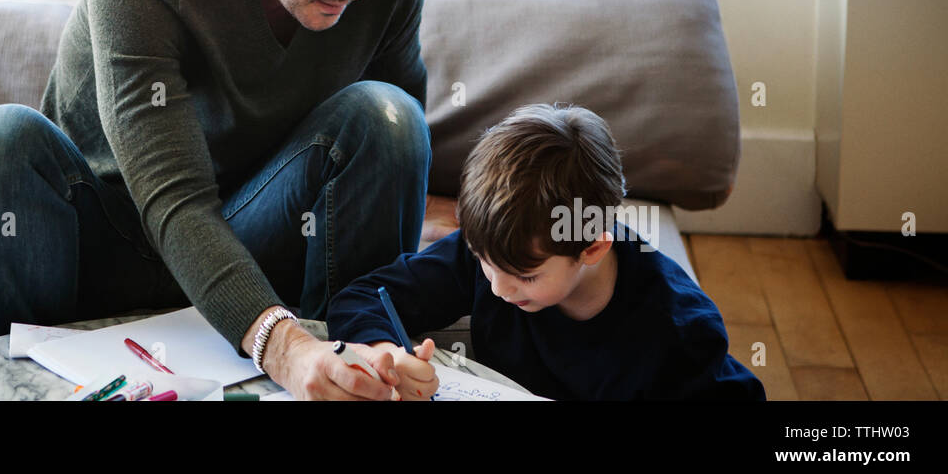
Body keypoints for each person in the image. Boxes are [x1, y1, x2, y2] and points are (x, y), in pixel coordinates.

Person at [0, 0, 431, 400]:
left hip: (256, 237)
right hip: (108, 243)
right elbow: (174, 200)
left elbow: (395, 160)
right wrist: (285, 349)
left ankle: (356, 372)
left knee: (390, 118)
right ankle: (17, 391)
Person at [326, 102, 767, 401]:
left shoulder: (678, 332)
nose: (497, 288)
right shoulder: (497, 254)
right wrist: (388, 353)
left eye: (525, 276)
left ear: (592, 246)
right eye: (485, 262)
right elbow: (363, 297)